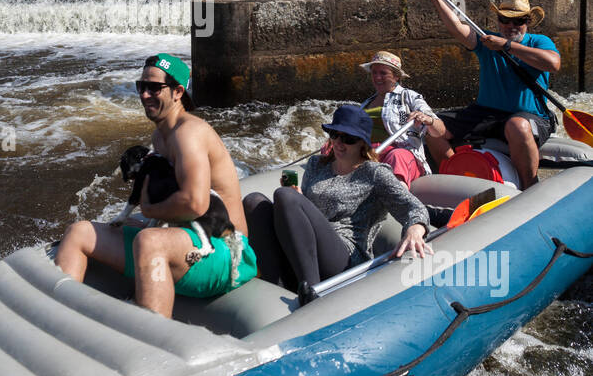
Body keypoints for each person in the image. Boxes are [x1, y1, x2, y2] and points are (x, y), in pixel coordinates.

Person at [55, 53, 258, 318]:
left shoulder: (190, 133)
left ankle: (148, 343)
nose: (145, 95)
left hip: (228, 251)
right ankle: (58, 320)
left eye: (154, 88)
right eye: (142, 87)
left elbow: (196, 203)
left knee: (149, 241)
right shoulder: (160, 136)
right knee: (79, 232)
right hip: (184, 237)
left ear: (177, 92)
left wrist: (149, 211)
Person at [243, 104, 432, 302]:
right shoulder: (316, 165)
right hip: (309, 250)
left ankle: (314, 294)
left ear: (363, 144)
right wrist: (298, 199)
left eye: (349, 139)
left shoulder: (375, 174)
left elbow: (413, 207)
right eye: (335, 135)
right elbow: (310, 214)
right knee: (253, 201)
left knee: (284, 196)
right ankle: (277, 286)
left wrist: (415, 229)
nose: (340, 143)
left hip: (345, 255)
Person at [417, 0, 560, 190]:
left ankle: (529, 187)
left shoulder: (538, 41)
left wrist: (507, 46)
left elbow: (553, 64)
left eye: (518, 21)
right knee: (432, 127)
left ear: (527, 21)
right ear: (498, 21)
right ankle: (454, 173)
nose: (511, 26)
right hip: (484, 114)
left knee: (517, 125)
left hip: (530, 116)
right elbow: (457, 28)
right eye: (505, 20)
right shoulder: (487, 40)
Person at [358, 50, 448, 187]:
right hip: (369, 153)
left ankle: (398, 200)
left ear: (396, 77)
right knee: (331, 150)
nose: (377, 77)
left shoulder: (409, 96)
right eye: (374, 73)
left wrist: (427, 120)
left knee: (397, 156)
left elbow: (439, 131)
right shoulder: (365, 104)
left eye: (383, 73)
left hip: (402, 154)